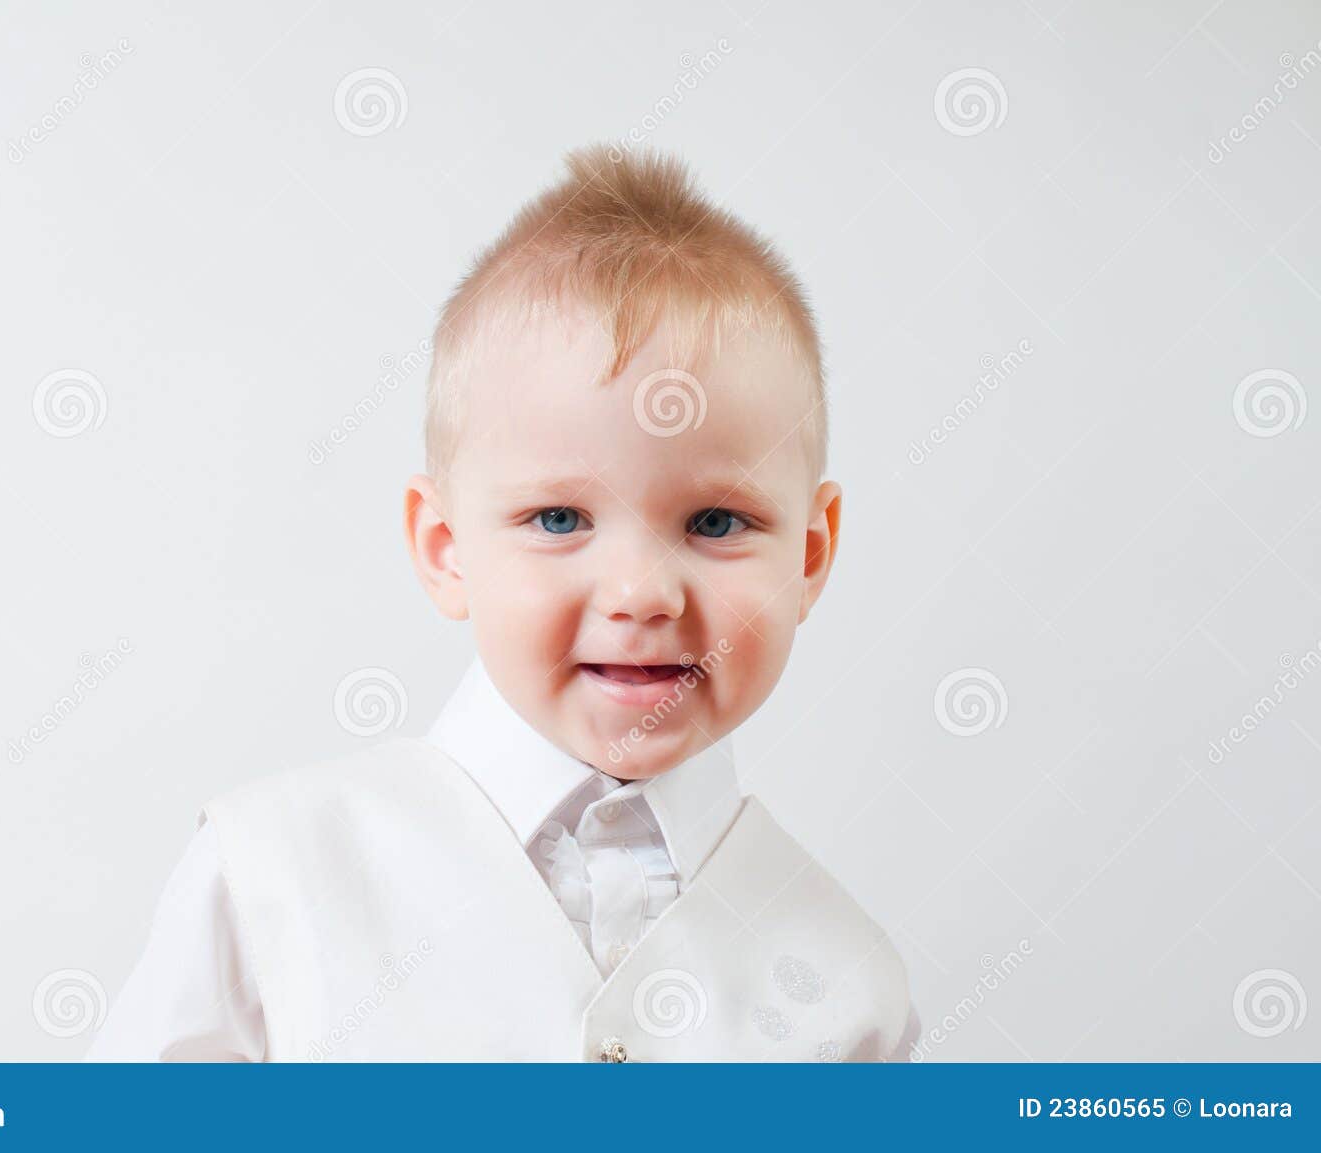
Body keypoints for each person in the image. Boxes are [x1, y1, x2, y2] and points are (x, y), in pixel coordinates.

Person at [88, 144, 921, 1062]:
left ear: (809, 555)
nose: (642, 592)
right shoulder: (269, 880)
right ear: (445, 548)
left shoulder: (850, 988)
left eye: (717, 520)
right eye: (559, 517)